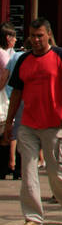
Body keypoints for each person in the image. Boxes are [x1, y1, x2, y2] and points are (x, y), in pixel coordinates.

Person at [1, 19, 62, 225]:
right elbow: (16, 92)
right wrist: (10, 123)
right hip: (28, 124)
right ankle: (33, 218)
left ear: (48, 35)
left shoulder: (61, 56)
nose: (35, 40)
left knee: (56, 173)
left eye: (40, 36)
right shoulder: (24, 60)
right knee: (27, 172)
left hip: (55, 123)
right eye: (32, 36)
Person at [0, 23, 19, 179]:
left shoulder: (9, 54)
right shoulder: (5, 55)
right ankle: (9, 164)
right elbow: (4, 78)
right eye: (13, 36)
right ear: (7, 38)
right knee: (8, 130)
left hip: (7, 95)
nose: (15, 39)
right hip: (6, 95)